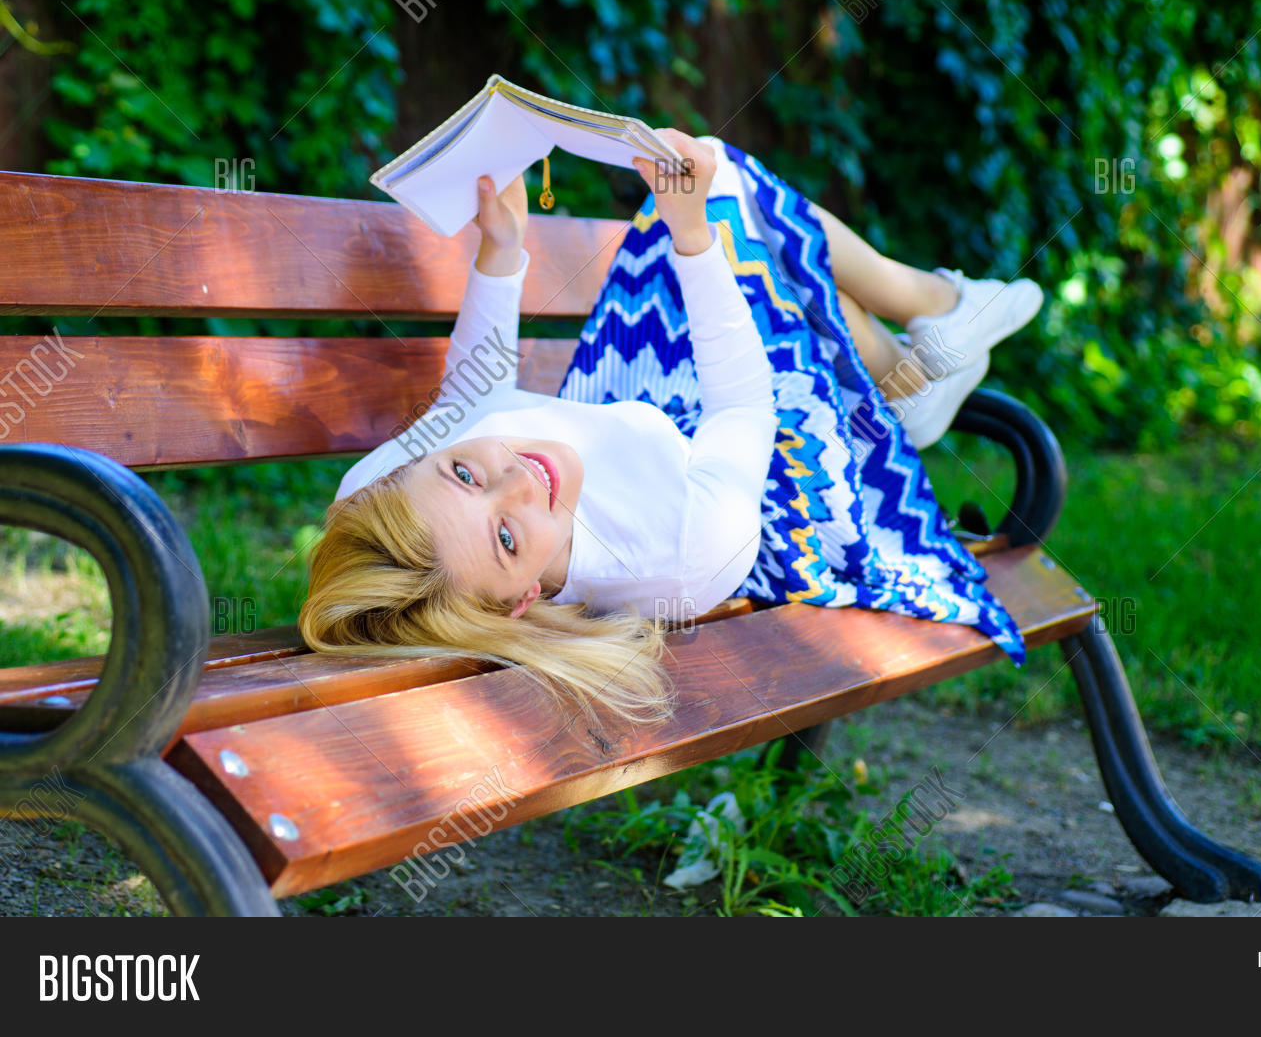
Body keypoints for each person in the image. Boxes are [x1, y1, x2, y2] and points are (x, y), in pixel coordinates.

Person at [298, 130, 1042, 723]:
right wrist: (697, 241)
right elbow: (748, 405)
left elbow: (470, 400)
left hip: (648, 418)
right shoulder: (682, 549)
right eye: (507, 537)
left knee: (702, 175)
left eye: (464, 472)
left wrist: (503, 250)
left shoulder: (379, 501)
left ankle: (910, 367)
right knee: (720, 200)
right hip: (780, 483)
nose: (520, 482)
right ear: (525, 600)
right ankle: (933, 317)